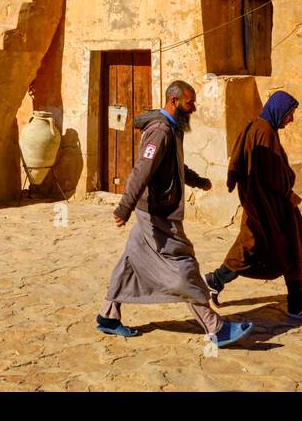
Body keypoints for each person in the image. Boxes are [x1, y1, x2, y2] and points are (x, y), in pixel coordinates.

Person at [97, 80, 253, 348]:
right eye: (189, 102)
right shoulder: (160, 130)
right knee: (184, 267)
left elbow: (173, 164)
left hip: (155, 212)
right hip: (157, 214)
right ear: (174, 101)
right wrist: (124, 206)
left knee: (130, 261)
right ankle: (216, 328)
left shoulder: (172, 128)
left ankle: (108, 316)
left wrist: (195, 180)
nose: (193, 108)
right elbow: (142, 169)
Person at [204, 90, 302, 321]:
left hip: (265, 204)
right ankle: (296, 303)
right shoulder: (265, 133)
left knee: (269, 247)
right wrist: (287, 194)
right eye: (290, 114)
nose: (291, 119)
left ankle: (217, 279)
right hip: (270, 206)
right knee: (264, 247)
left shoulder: (259, 127)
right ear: (279, 110)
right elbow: (272, 174)